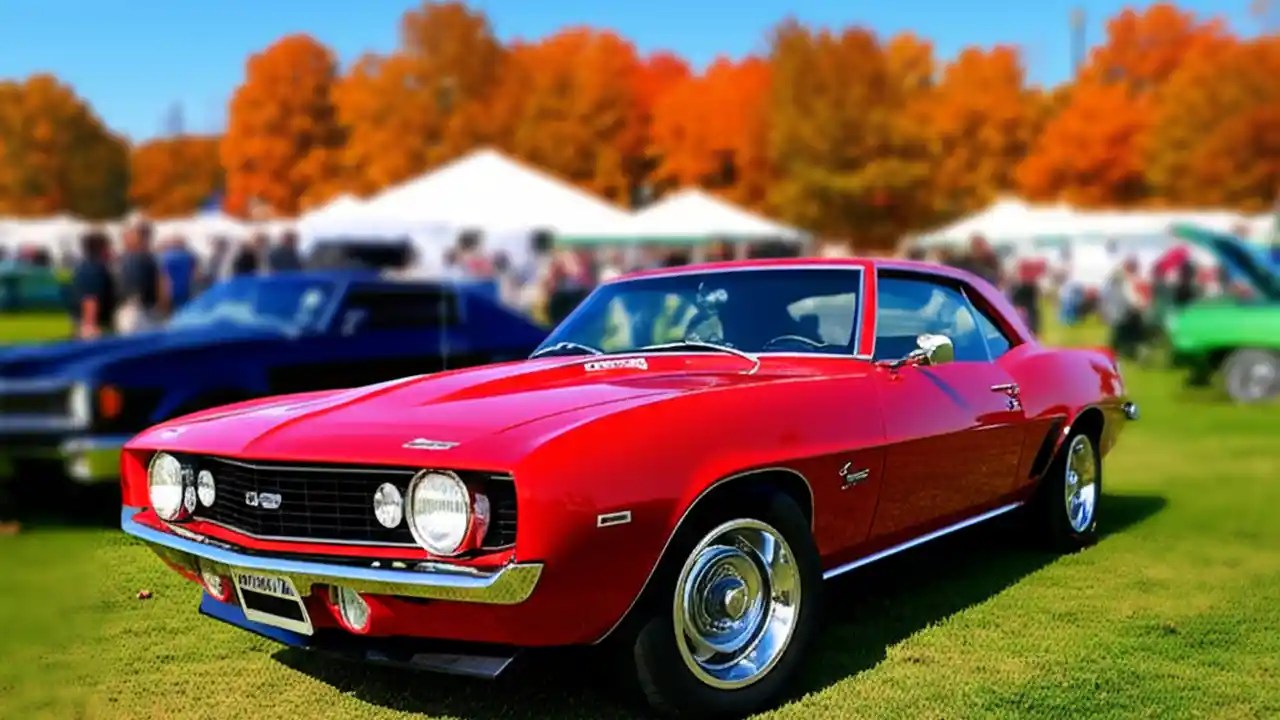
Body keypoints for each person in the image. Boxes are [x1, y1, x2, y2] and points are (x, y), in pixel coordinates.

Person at [69, 229, 117, 339]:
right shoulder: (93, 268)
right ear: (101, 248)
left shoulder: (86, 266)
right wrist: (90, 326)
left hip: (87, 323)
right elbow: (90, 299)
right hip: (93, 326)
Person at [116, 221, 161, 334]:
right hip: (137, 309)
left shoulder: (142, 258)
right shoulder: (145, 258)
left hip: (139, 308)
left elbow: (159, 283)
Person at [159, 235, 197, 314]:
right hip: (185, 289)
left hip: (169, 291)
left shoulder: (164, 257)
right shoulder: (189, 256)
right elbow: (194, 273)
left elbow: (163, 275)